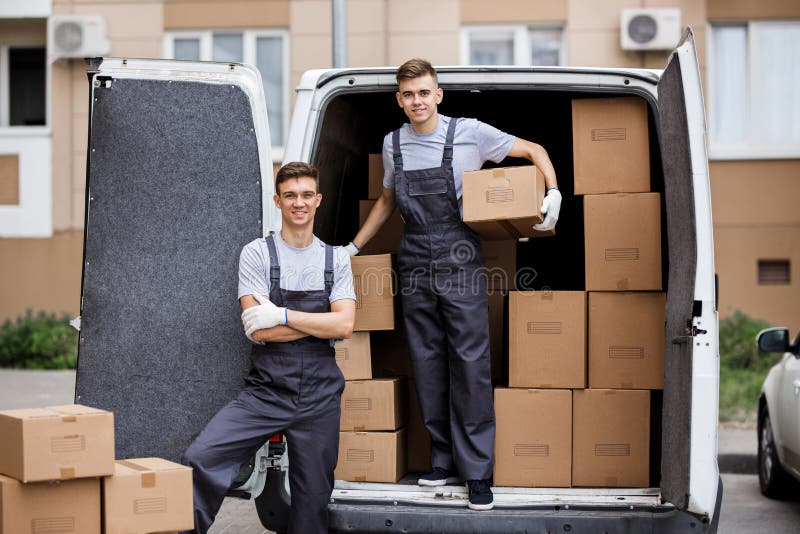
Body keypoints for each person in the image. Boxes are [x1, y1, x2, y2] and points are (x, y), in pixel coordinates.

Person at [345, 58, 560, 511]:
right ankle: (442, 458)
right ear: (399, 100)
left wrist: (552, 192)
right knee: (426, 359)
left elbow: (534, 150)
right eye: (408, 94)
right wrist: (353, 247)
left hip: (459, 254)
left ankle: (478, 472)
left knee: (470, 361)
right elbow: (387, 200)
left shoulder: (471, 132)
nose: (417, 101)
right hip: (415, 255)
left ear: (438, 94)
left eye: (424, 92)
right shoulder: (393, 143)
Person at [182, 161, 356, 534]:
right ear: (277, 200)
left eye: (307, 195)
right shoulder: (257, 254)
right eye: (290, 195)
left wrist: (280, 315)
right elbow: (258, 331)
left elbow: (345, 324)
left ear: (318, 200)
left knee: (313, 500)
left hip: (320, 396)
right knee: (202, 457)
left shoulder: (335, 258)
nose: (299, 203)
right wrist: (317, 324)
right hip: (267, 392)